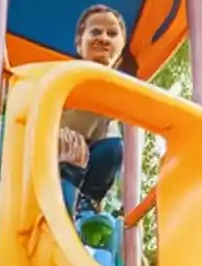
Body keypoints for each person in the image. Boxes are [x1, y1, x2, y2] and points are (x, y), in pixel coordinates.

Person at [59, 4, 129, 216]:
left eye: (112, 33)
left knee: (115, 148)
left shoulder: (118, 97)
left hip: (80, 164)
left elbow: (109, 154)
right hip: (49, 158)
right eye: (95, 32)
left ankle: (85, 205)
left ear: (121, 50)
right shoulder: (63, 79)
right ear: (79, 44)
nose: (104, 38)